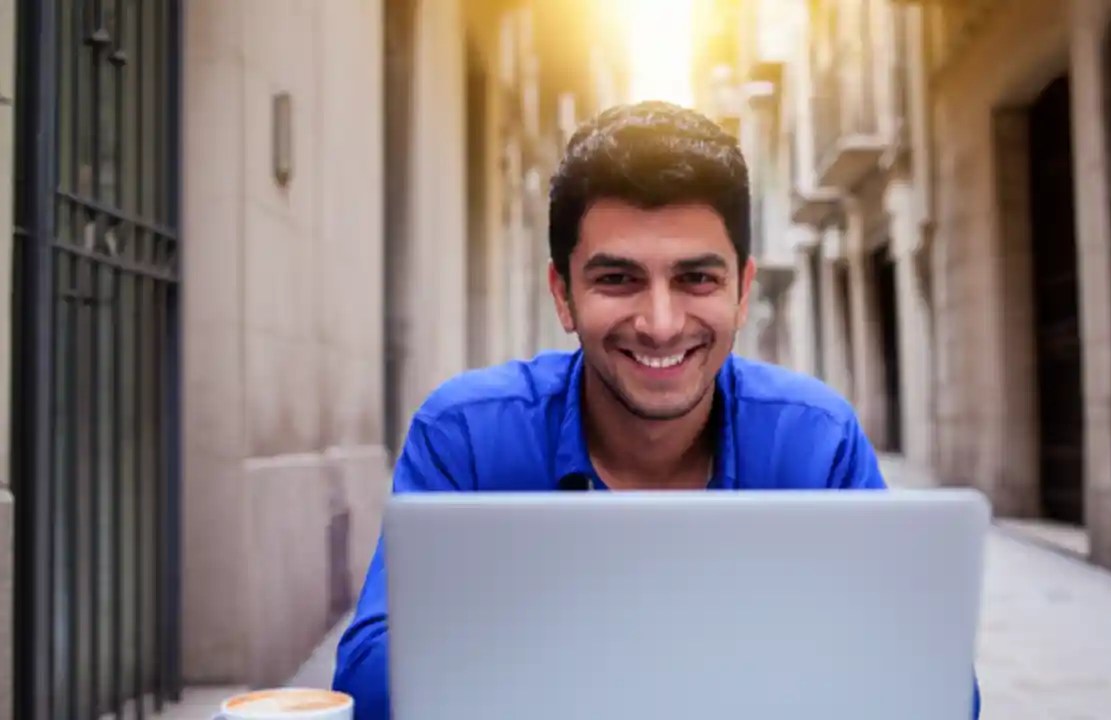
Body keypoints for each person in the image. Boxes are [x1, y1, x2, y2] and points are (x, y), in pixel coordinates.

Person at [332, 101, 980, 719]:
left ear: (743, 290)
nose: (661, 324)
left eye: (697, 279)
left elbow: (934, 685)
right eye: (617, 279)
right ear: (563, 294)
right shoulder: (465, 435)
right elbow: (369, 680)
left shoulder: (817, 440)